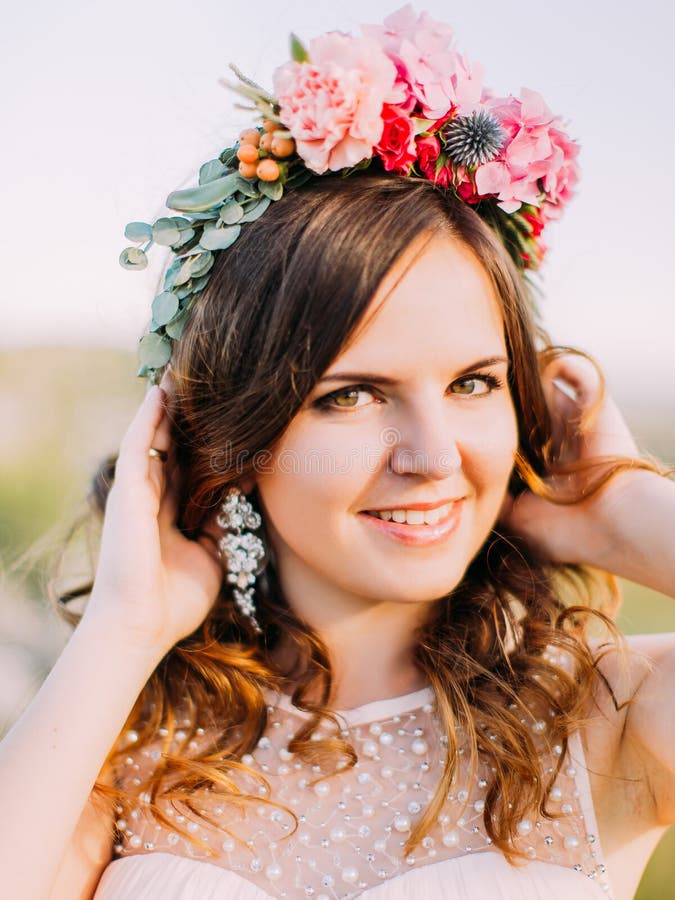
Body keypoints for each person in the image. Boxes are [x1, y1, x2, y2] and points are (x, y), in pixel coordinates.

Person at [1, 6, 674, 899]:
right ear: (233, 435)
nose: (433, 456)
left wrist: (621, 515)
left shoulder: (612, 713)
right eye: (349, 395)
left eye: (473, 383)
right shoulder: (119, 748)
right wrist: (123, 631)